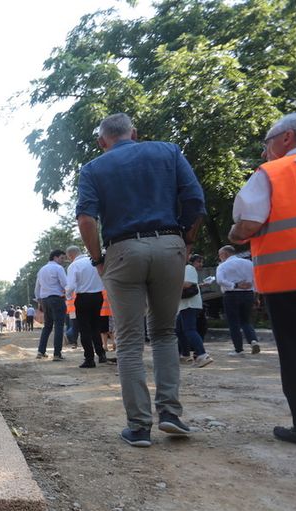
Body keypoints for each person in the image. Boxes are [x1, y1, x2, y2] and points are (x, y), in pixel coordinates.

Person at [75, 113, 206, 447]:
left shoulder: (93, 168)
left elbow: (87, 219)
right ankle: (171, 415)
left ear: (102, 141)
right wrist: (185, 242)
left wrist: (98, 260)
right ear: (134, 133)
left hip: (122, 250)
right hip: (169, 243)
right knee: (164, 333)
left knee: (130, 340)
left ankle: (139, 427)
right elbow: (195, 201)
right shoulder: (169, 152)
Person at [229, 111, 296, 449]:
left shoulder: (274, 173)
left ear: (287, 138)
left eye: (267, 143)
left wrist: (237, 234)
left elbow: (247, 222)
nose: (265, 151)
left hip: (291, 281)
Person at [65, 244, 107, 368]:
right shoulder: (93, 261)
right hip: (98, 296)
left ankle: (89, 358)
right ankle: (101, 354)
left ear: (71, 255)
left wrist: (67, 296)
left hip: (83, 298)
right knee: (95, 327)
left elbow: (71, 286)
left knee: (84, 329)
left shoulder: (74, 266)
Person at [215, 245, 261, 355]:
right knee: (246, 320)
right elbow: (256, 279)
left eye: (220, 255)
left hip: (231, 295)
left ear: (224, 254)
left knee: (233, 322)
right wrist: (256, 295)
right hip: (248, 294)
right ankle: (253, 340)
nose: (219, 258)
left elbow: (220, 280)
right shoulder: (249, 263)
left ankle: (239, 349)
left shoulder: (223, 266)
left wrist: (235, 285)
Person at [176, 254, 212, 367]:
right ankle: (185, 355)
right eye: (199, 262)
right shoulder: (185, 269)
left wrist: (169, 285)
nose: (201, 264)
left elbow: (187, 284)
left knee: (189, 330)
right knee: (179, 330)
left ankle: (202, 355)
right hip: (185, 305)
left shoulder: (188, 268)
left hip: (189, 305)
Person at [35, 249, 67, 360]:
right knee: (59, 326)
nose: (63, 260)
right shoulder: (58, 268)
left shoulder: (42, 269)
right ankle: (57, 354)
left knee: (47, 326)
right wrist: (68, 294)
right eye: (62, 258)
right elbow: (65, 284)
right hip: (56, 298)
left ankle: (41, 351)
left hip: (44, 300)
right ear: (55, 257)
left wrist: (39, 301)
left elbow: (37, 287)